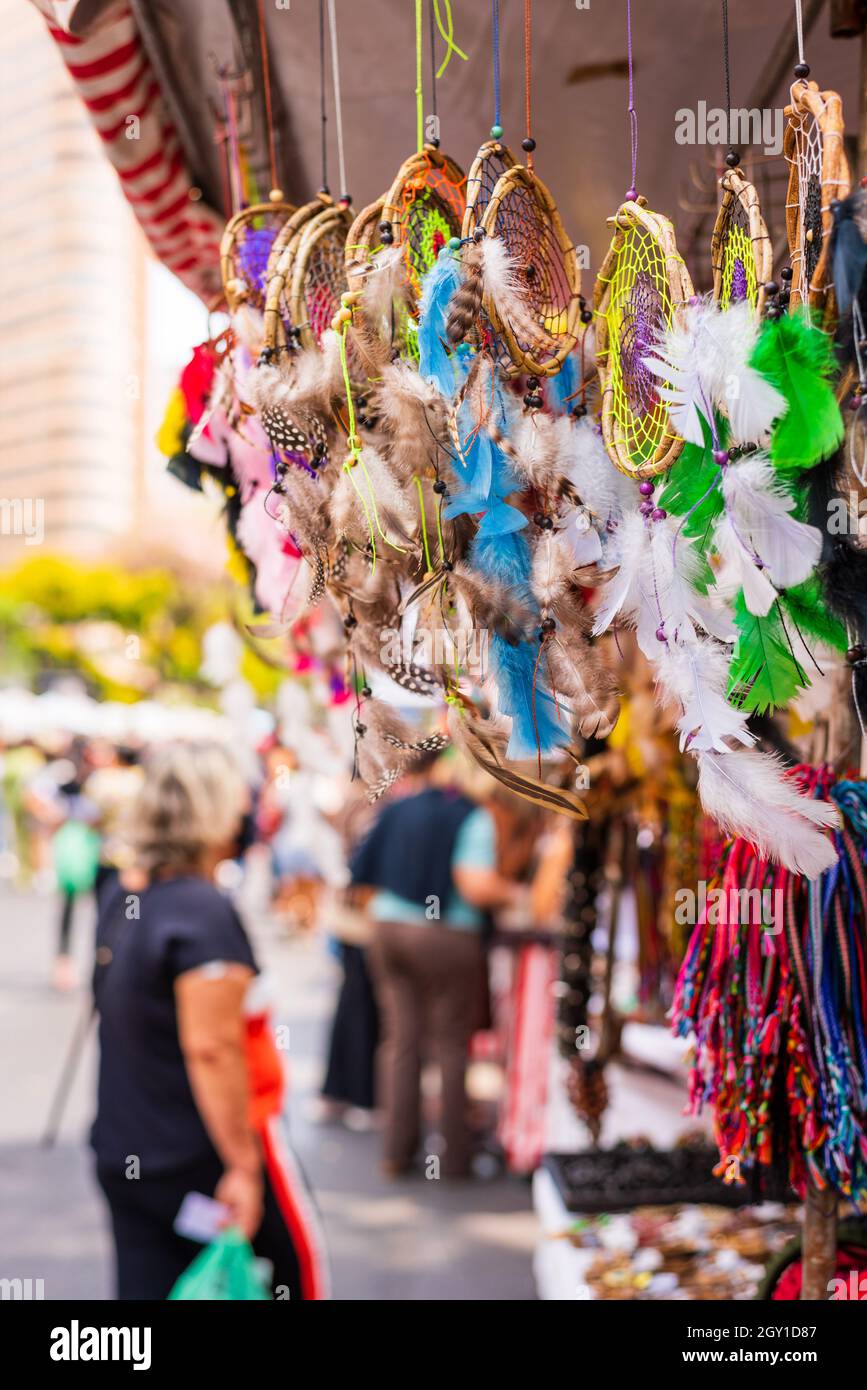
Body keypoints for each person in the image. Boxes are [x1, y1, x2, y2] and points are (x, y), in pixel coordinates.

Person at [91, 741, 328, 1300]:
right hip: (191, 1158)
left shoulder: (127, 896)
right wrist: (242, 1166)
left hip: (127, 1148)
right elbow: (212, 1047)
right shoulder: (200, 911)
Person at [352, 750, 527, 1179]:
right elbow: (474, 883)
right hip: (447, 935)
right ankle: (453, 1160)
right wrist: (518, 895)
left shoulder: (397, 809)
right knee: (450, 1044)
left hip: (389, 930)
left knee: (400, 1041)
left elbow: (361, 871)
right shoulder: (471, 814)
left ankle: (397, 1153)